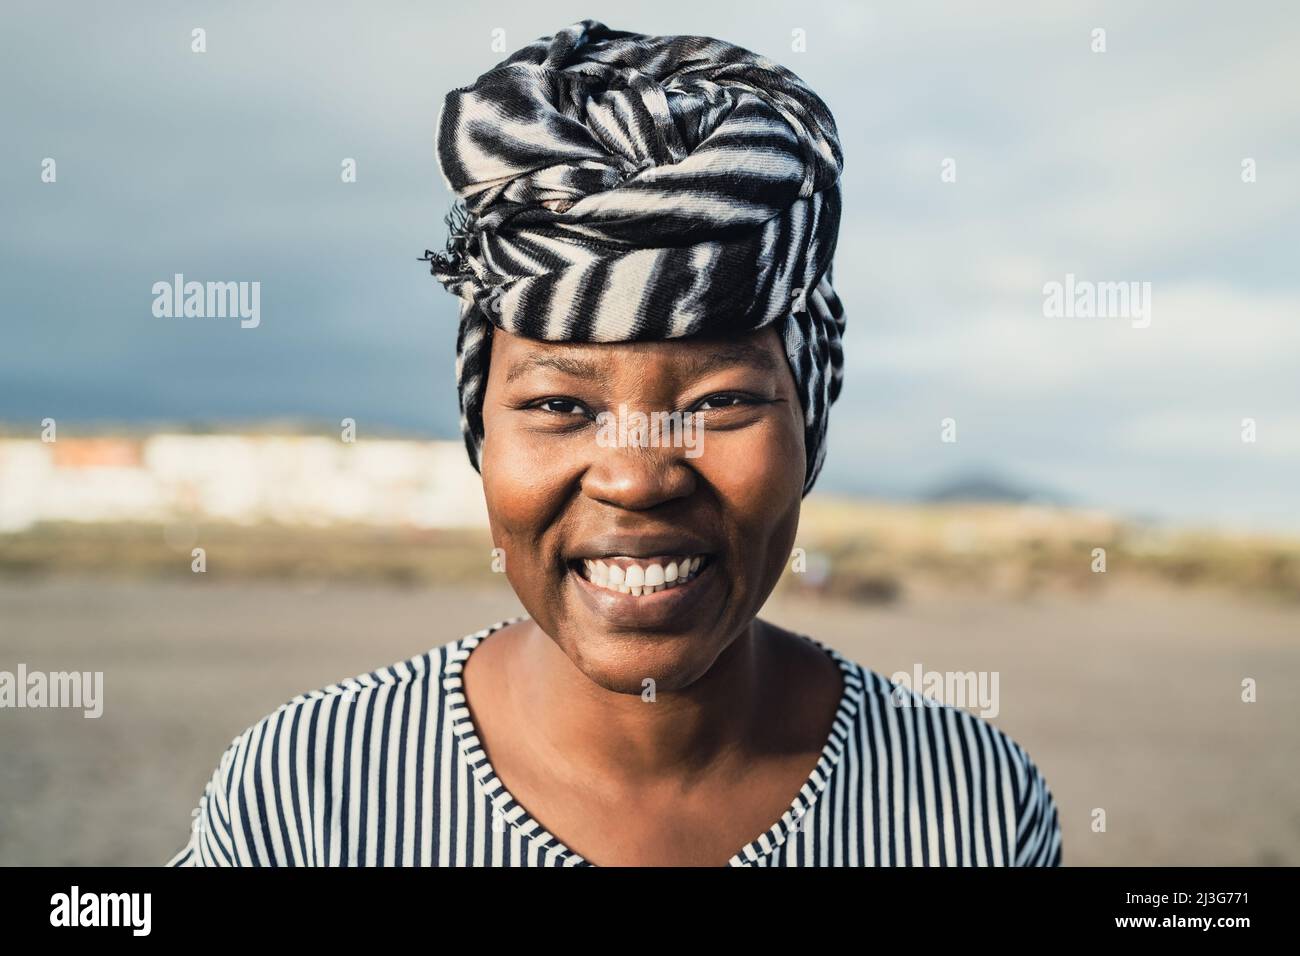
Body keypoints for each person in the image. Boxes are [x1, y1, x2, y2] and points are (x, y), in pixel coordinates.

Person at [167, 18, 1061, 867]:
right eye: (560, 405)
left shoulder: (972, 806)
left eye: (718, 403)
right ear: (482, 430)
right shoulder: (307, 798)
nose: (636, 477)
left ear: (808, 425)